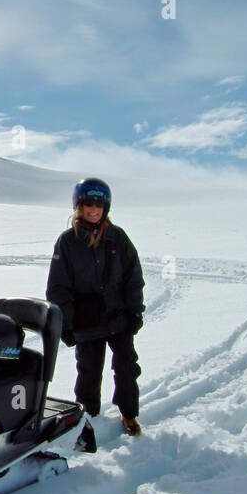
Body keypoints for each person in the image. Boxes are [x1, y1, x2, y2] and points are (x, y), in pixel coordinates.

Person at [46, 177, 144, 452]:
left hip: (118, 316)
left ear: (106, 207)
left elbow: (133, 277)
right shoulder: (67, 242)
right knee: (88, 372)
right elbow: (58, 286)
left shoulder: (118, 237)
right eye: (88, 203)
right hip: (87, 320)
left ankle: (129, 414)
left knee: (126, 366)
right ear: (79, 205)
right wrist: (64, 322)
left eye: (99, 204)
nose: (94, 208)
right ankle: (87, 418)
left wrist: (135, 310)